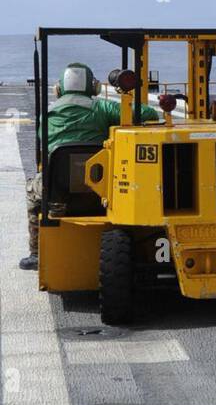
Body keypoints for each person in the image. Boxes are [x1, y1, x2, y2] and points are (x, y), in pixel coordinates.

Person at [20, 62, 160, 270]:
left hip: (59, 197)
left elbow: (45, 145)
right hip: (102, 194)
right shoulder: (104, 108)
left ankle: (35, 253)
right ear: (94, 87)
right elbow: (149, 114)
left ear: (58, 89)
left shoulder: (46, 116)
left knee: (32, 191)